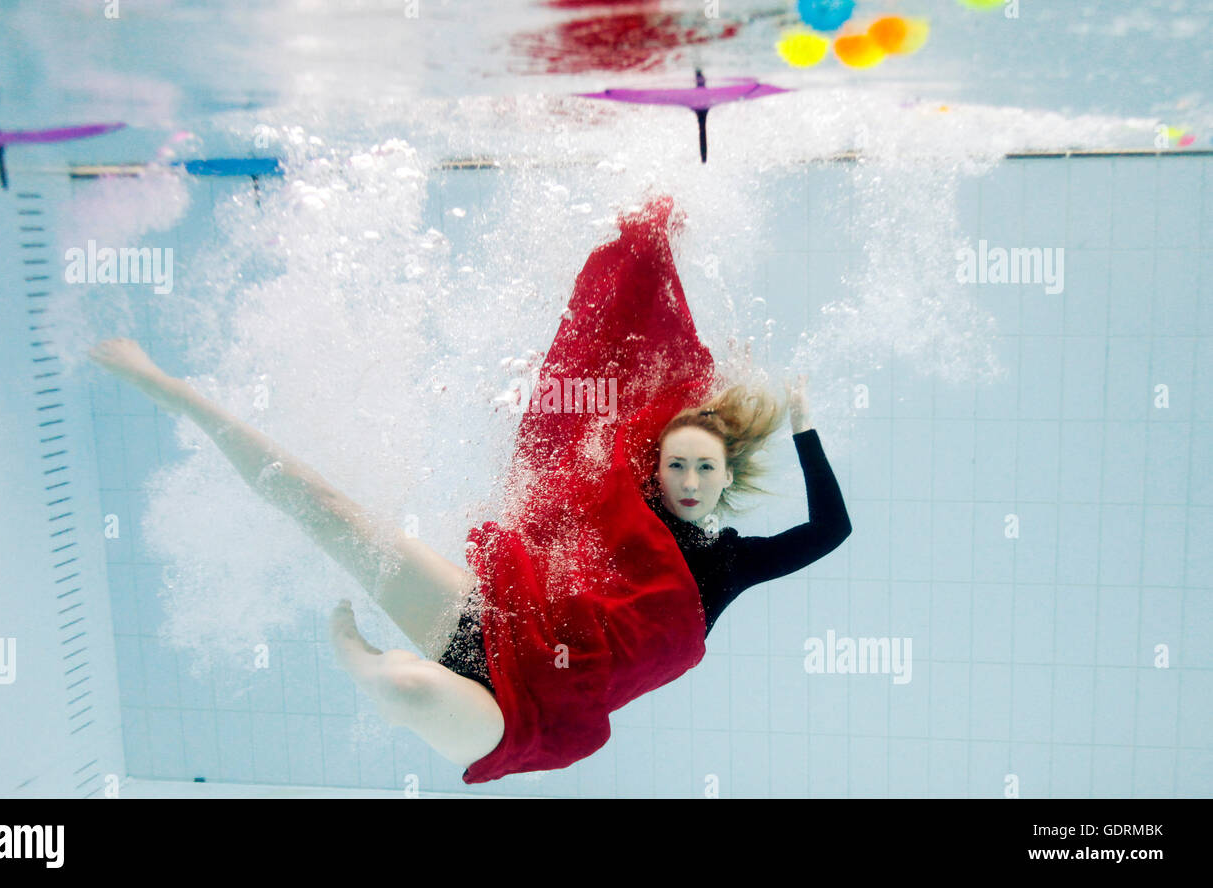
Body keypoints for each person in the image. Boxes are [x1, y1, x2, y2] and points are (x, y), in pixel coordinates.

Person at [89, 194, 851, 785]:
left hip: (521, 717)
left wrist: (806, 426)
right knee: (321, 504)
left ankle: (355, 655)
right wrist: (648, 241)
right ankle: (160, 384)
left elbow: (830, 533)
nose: (687, 481)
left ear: (728, 477)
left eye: (704, 470)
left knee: (407, 684)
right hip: (493, 622)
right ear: (654, 469)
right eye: (676, 465)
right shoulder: (630, 508)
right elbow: (615, 372)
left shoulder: (732, 563)